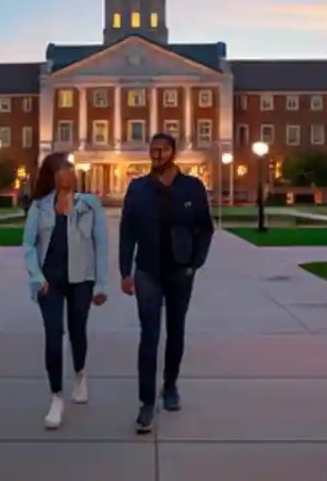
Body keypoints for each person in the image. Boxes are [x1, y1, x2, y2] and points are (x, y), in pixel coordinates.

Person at [119, 132, 214, 434]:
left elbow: (205, 228)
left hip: (180, 271)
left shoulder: (192, 187)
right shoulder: (137, 188)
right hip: (147, 271)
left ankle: (170, 385)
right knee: (149, 336)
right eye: (153, 150)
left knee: (176, 332)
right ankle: (146, 403)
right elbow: (127, 231)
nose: (157, 155)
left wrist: (195, 264)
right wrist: (125, 271)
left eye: (162, 150)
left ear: (173, 152)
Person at [23, 152, 109, 430]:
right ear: (53, 174)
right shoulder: (39, 207)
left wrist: (102, 283)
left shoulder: (89, 204)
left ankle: (80, 374)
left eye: (71, 169)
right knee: (52, 334)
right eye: (63, 169)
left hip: (82, 279)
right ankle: (56, 397)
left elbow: (102, 245)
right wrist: (37, 277)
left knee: (77, 329)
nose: (69, 173)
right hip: (50, 281)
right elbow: (28, 246)